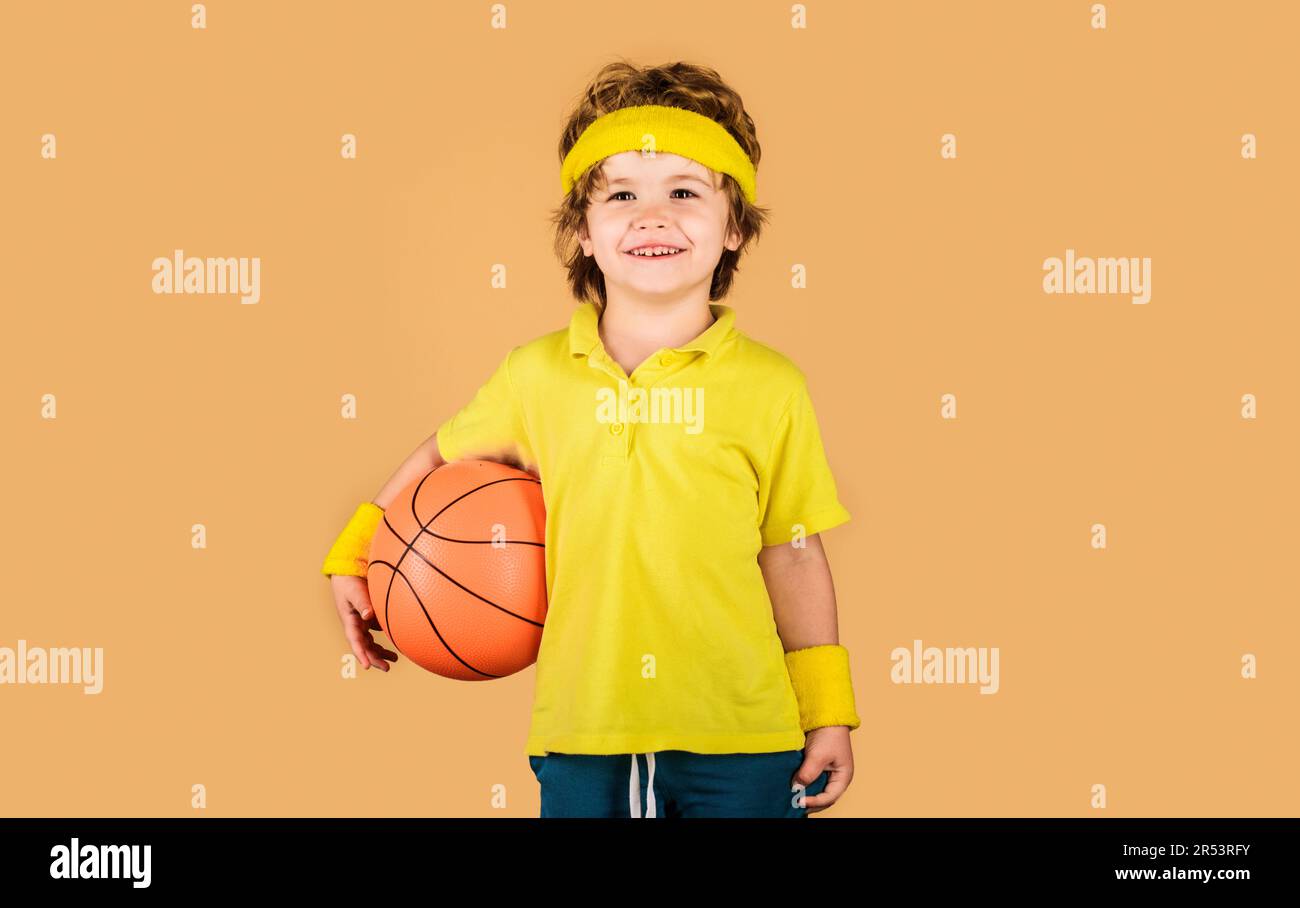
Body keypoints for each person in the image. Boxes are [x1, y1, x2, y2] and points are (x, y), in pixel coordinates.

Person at [322, 60, 859, 818]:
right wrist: (356, 550)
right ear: (582, 230)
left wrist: (826, 708)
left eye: (684, 191)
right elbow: (440, 457)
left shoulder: (773, 386)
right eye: (622, 195)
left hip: (744, 732)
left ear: (734, 225)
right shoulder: (535, 376)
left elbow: (794, 550)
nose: (652, 216)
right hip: (584, 729)